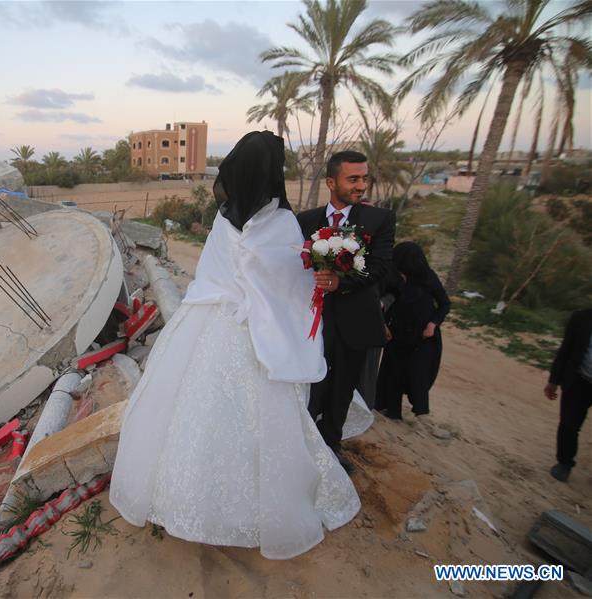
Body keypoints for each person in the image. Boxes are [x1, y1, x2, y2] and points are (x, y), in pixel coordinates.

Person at [109, 131, 360, 560]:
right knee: (258, 420)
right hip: (253, 334)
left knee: (193, 414)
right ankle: (260, 511)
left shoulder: (224, 221)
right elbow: (284, 284)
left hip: (207, 324)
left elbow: (216, 274)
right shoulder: (280, 222)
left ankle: (183, 500)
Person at [296, 151, 396, 472]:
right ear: (331, 182)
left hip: (356, 320)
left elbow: (380, 269)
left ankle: (331, 447)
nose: (361, 185)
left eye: (364, 178)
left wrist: (342, 282)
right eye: (353, 179)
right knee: (311, 385)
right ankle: (302, 443)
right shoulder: (305, 220)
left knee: (342, 388)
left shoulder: (379, 220)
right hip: (312, 322)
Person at [375, 242, 450, 419]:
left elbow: (444, 303)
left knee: (418, 372)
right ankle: (392, 411)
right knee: (393, 372)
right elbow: (384, 302)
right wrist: (383, 325)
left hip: (423, 335)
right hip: (397, 333)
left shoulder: (427, 277)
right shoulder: (393, 277)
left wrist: (433, 324)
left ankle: (420, 409)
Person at [545, 308, 592, 482]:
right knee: (569, 424)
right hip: (578, 380)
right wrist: (553, 381)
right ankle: (564, 462)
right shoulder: (582, 317)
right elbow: (566, 348)